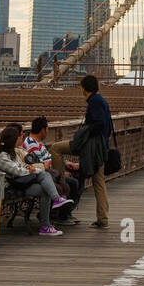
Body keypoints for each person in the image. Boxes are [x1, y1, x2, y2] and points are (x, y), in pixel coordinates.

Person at [49, 74, 111, 228]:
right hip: (100, 147)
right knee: (99, 182)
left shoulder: (95, 101)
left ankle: (60, 182)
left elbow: (99, 124)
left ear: (84, 88)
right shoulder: (101, 100)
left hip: (90, 146)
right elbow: (106, 126)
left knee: (56, 148)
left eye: (81, 87)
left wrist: (85, 133)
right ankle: (103, 219)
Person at [0, 124, 73, 236]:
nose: (22, 138)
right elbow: (18, 171)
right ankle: (56, 201)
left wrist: (30, 169)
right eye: (20, 137)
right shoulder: (2, 157)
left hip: (19, 184)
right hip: (9, 188)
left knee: (45, 189)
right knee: (43, 175)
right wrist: (34, 170)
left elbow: (21, 168)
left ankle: (46, 225)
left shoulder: (12, 153)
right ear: (13, 140)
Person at [23, 116, 82, 223]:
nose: (48, 131)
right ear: (43, 130)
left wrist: (66, 164)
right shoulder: (31, 144)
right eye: (47, 129)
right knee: (71, 184)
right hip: (42, 175)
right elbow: (42, 165)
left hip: (50, 173)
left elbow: (49, 159)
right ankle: (59, 216)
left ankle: (64, 214)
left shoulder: (38, 143)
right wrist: (61, 173)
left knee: (75, 180)